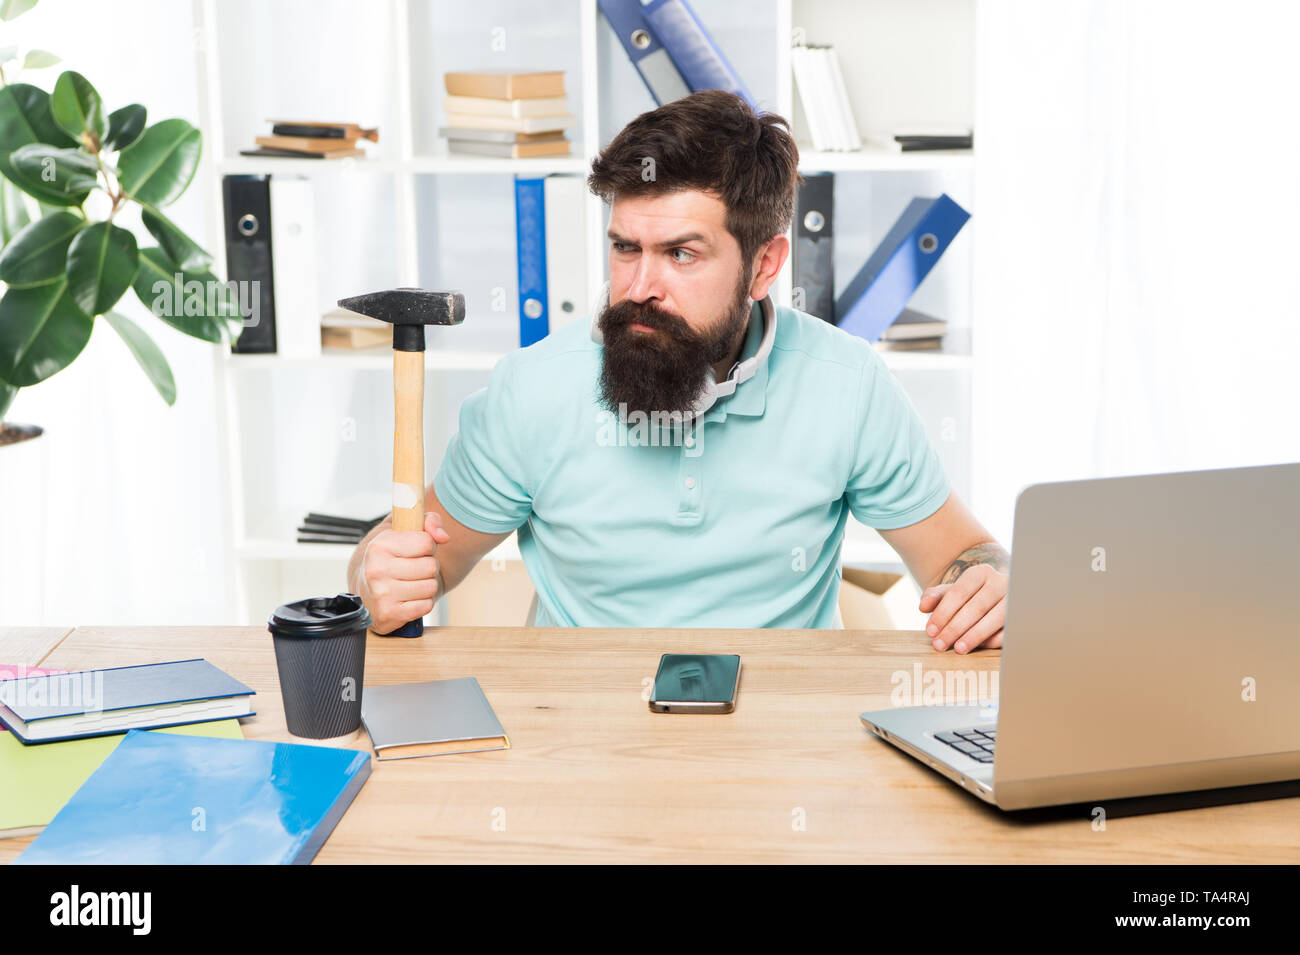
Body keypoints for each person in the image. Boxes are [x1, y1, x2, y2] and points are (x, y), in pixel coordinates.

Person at [348, 90, 1008, 652]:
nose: (640, 287)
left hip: (781, 747)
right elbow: (421, 557)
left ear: (765, 266)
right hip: (579, 747)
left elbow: (963, 555)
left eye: (681, 254)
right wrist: (372, 574)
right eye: (625, 248)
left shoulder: (849, 385)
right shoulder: (532, 390)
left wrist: (989, 580)